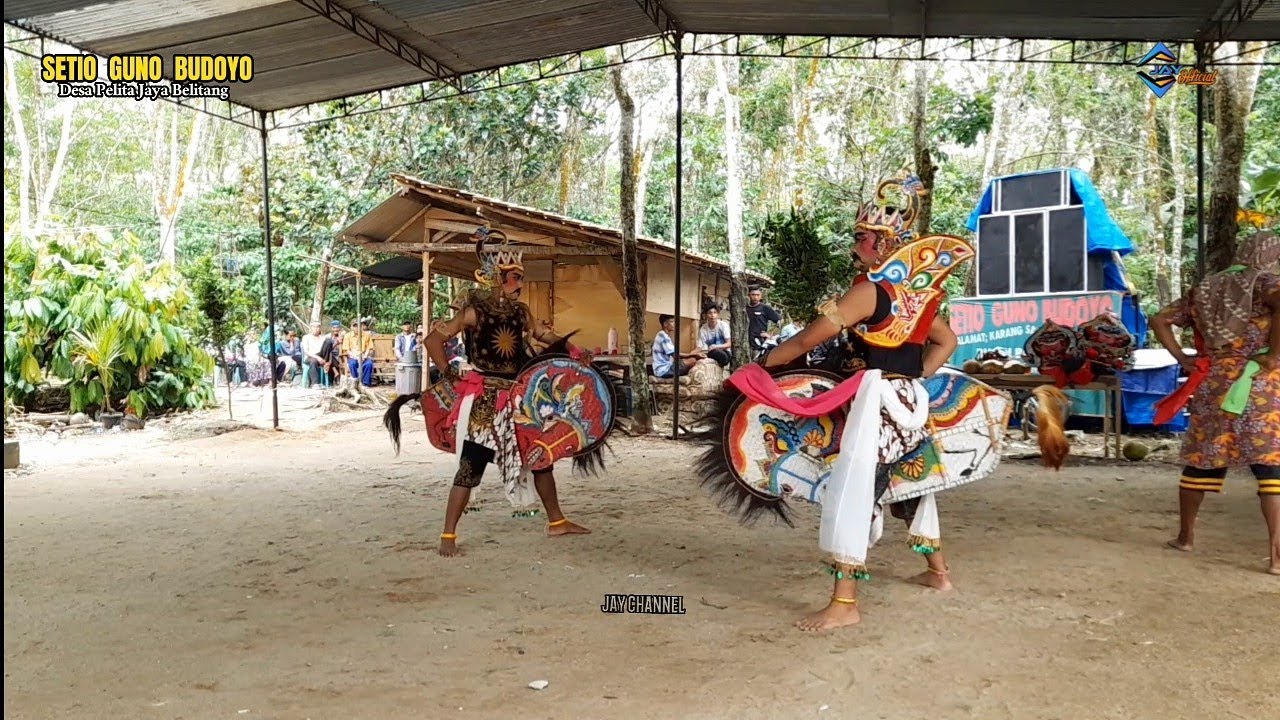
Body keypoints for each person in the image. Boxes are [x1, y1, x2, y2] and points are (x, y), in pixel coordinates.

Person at [697, 170, 977, 632]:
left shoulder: (870, 291)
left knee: (854, 490)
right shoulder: (920, 295)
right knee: (912, 481)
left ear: (888, 245)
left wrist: (763, 365)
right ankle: (938, 573)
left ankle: (845, 602)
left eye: (866, 236)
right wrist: (914, 376)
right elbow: (947, 342)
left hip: (874, 403)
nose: (859, 242)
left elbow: (810, 338)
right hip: (909, 399)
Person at [387, 228, 605, 557]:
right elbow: (433, 340)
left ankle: (557, 522)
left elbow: (546, 337)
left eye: (519, 277)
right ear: (498, 279)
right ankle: (448, 535)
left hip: (519, 399)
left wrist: (576, 353)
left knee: (539, 458)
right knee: (472, 465)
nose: (519, 283)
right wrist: (449, 371)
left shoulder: (521, 314)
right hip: (486, 399)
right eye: (515, 277)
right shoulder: (474, 312)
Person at [1150, 231, 1280, 575]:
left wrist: (1182, 357)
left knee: (1203, 458)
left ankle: (1186, 537)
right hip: (1259, 383)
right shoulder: (1267, 282)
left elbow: (1160, 319)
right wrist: (1275, 355)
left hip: (1214, 382)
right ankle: (1276, 557)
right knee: (1270, 464)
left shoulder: (1206, 288)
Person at [652, 314, 703, 378]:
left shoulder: (664, 335)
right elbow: (675, 355)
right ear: (665, 324)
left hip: (667, 366)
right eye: (672, 322)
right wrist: (693, 355)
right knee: (692, 360)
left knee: (690, 359)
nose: (674, 324)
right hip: (663, 370)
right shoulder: (662, 335)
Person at [746, 286, 782, 358]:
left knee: (756, 360)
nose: (755, 297)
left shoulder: (765, 308)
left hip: (758, 340)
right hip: (745, 338)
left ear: (761, 296)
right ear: (749, 295)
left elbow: (779, 320)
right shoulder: (744, 308)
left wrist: (769, 334)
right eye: (753, 295)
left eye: (757, 295)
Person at [343, 319, 375, 386]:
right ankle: (356, 383)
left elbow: (369, 347)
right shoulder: (347, 336)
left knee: (369, 363)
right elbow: (347, 350)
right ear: (351, 327)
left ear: (362, 326)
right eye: (355, 326)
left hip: (363, 356)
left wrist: (365, 356)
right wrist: (355, 357)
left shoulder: (366, 335)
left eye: (358, 326)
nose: (357, 328)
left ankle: (366, 383)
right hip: (353, 356)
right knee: (352, 364)